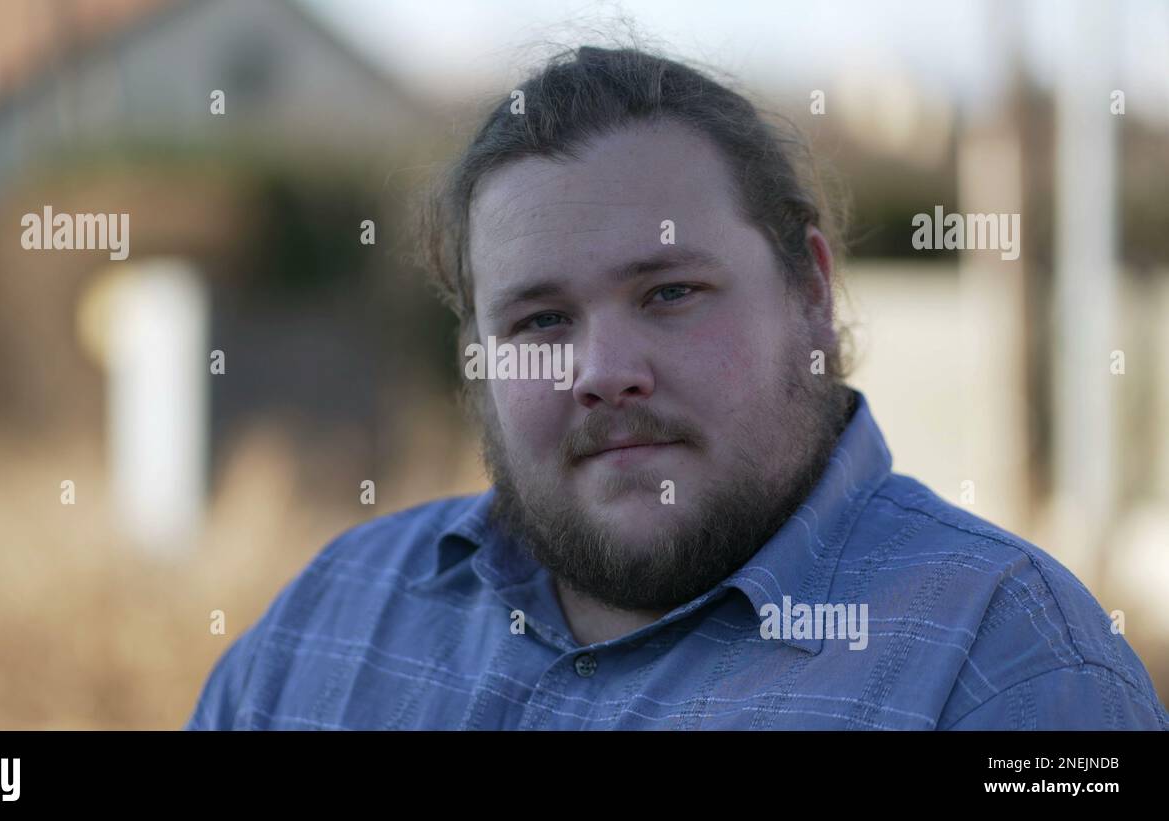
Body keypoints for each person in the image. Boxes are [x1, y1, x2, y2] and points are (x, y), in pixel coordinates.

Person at [186, 44, 1167, 730]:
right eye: (538, 320)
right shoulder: (330, 615)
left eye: (668, 292)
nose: (604, 371)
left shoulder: (1003, 667)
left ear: (810, 292)